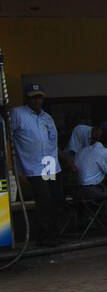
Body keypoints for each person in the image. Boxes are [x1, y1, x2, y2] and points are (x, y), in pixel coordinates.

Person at [9, 83, 64, 245]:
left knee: (56, 200)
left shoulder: (46, 117)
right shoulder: (18, 114)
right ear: (27, 99)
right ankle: (43, 237)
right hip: (33, 166)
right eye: (33, 98)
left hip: (50, 165)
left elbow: (53, 142)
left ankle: (54, 235)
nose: (36, 101)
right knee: (44, 200)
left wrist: (66, 161)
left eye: (39, 97)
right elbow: (7, 133)